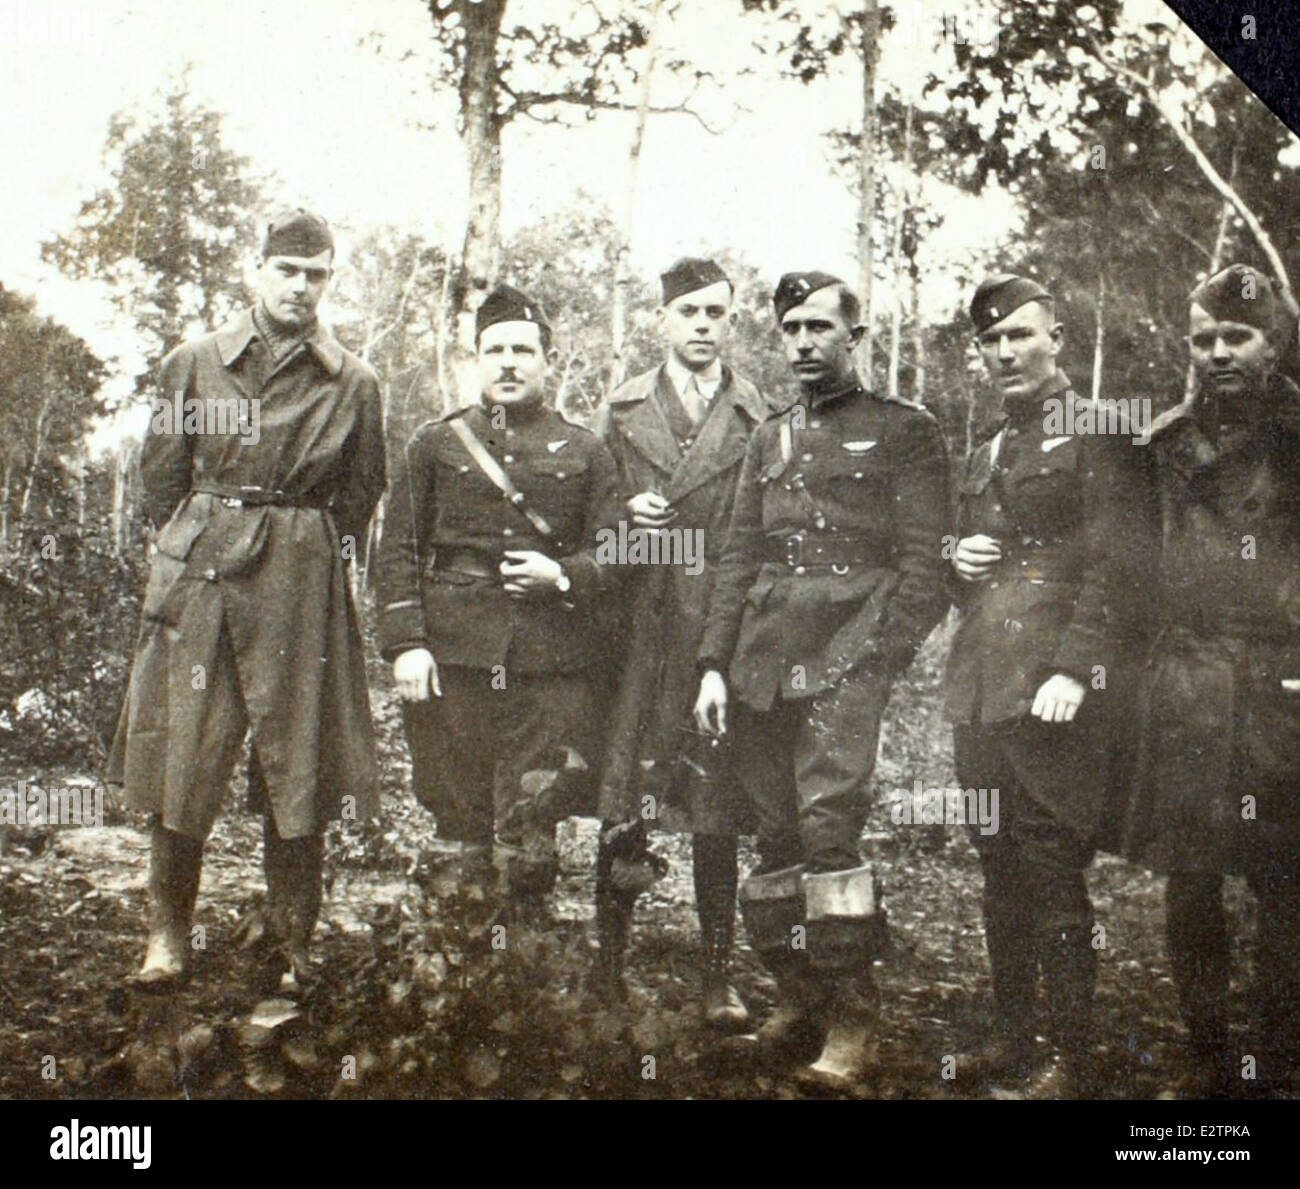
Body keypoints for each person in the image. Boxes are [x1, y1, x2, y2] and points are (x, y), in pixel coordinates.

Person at [108, 208, 386, 990]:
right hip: (203, 576)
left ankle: (293, 942)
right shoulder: (195, 363)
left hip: (300, 585)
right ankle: (167, 934)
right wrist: (204, 537)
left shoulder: (354, 383)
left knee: (298, 767)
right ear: (257, 271)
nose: (301, 286)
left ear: (331, 279)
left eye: (317, 273)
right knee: (183, 756)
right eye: (287, 270)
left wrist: (300, 547)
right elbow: (162, 477)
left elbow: (359, 498)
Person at [693, 271, 949, 1089]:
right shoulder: (767, 435)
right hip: (764, 657)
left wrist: (882, 658)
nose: (804, 342)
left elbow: (924, 563)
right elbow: (740, 555)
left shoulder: (904, 430)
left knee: (827, 827)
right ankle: (798, 997)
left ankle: (852, 1015)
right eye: (791, 328)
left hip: (850, 651)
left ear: (856, 337)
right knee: (772, 829)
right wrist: (712, 665)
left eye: (820, 328)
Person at [376, 284, 623, 916]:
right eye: (495, 350)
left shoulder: (587, 452)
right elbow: (398, 547)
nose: (509, 362)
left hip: (547, 661)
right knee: (456, 811)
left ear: (547, 361)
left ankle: (522, 964)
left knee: (532, 813)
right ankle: (452, 961)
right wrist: (407, 646)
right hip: (453, 656)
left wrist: (563, 575)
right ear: (476, 361)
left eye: (523, 350)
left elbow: (617, 550)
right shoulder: (435, 445)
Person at [947, 274, 1136, 1096]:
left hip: (1053, 690)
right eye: (992, 341)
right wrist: (955, 560)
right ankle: (1014, 1039)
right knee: (998, 865)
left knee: (1050, 863)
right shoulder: (988, 448)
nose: (1005, 352)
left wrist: (1073, 668)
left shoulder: (1101, 431)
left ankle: (1071, 1056)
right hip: (984, 688)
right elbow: (967, 563)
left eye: (1021, 335)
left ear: (1056, 338)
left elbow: (1121, 565)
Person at [1125, 264, 1300, 1098]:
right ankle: (1208, 1053)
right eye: (1204, 340)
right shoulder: (1162, 444)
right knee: (1191, 878)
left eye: (1239, 337)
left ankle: (1276, 1054)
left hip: (1283, 688)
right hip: (1190, 687)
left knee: (1285, 878)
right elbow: (1137, 570)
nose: (1219, 353)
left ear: (1276, 342)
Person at [590, 257, 777, 1026]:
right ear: (662, 319)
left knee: (714, 805)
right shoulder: (623, 404)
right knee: (623, 794)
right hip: (637, 620)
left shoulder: (754, 414)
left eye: (716, 313)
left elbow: (758, 530)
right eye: (689, 312)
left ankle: (715, 975)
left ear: (731, 321)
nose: (702, 326)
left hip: (712, 619)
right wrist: (625, 510)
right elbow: (590, 509)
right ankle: (606, 968)